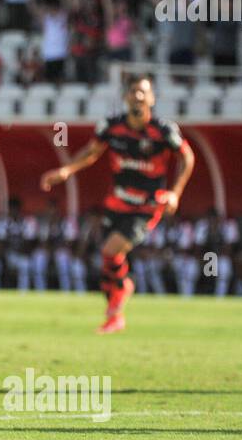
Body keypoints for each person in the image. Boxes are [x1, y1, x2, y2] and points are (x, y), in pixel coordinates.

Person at [40, 75, 195, 333]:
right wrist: (66, 171)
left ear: (152, 99)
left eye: (143, 92)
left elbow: (187, 158)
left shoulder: (163, 130)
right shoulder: (111, 127)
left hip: (147, 204)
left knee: (110, 251)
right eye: (133, 91)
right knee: (107, 263)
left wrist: (175, 193)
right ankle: (115, 312)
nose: (137, 96)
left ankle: (122, 292)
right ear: (125, 96)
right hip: (118, 201)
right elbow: (92, 152)